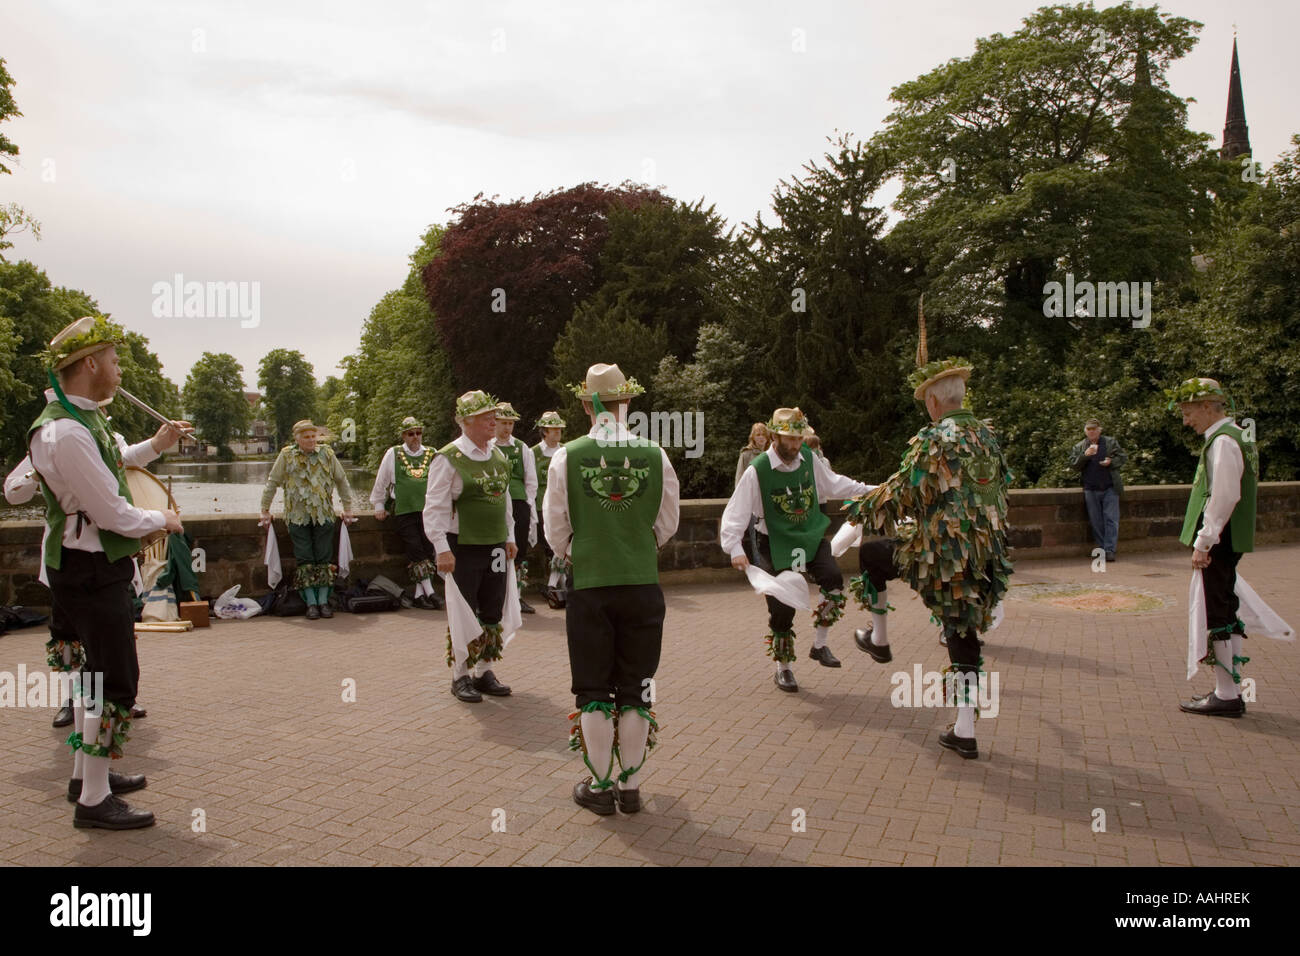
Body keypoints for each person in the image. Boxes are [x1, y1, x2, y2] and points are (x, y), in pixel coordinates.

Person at [28, 316, 188, 829]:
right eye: (114, 360)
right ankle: (94, 801)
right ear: (91, 364)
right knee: (111, 682)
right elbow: (113, 513)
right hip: (92, 567)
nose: (120, 369)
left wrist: (157, 445)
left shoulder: (80, 421)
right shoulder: (68, 433)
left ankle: (86, 777)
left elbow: (115, 465)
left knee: (94, 678)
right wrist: (163, 518)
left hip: (87, 565)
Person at [845, 354, 1013, 760]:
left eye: (926, 402)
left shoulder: (935, 438)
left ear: (936, 403)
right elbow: (991, 494)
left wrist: (859, 507)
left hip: (940, 553)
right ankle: (965, 730)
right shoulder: (987, 437)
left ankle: (880, 640)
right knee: (962, 633)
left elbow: (901, 491)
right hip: (985, 553)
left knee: (870, 555)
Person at [544, 363, 679, 815]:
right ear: (627, 403)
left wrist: (579, 552)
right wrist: (638, 547)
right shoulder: (656, 454)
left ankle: (600, 787)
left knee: (593, 688)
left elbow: (555, 524)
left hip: (592, 585)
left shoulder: (567, 455)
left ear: (586, 404)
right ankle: (633, 785)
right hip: (642, 584)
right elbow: (667, 521)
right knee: (637, 687)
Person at [721, 407, 872, 692]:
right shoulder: (758, 470)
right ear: (775, 436)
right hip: (774, 542)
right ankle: (784, 668)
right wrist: (733, 547)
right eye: (790, 439)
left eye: (799, 439)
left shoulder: (810, 460)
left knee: (834, 582)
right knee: (782, 607)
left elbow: (834, 483)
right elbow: (736, 511)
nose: (795, 444)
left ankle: (820, 645)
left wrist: (868, 490)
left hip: (810, 537)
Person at [1168, 378, 1257, 718]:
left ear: (1207, 407)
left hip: (1220, 538)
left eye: (1188, 412)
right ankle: (1229, 689)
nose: (1185, 420)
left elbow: (1224, 496)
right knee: (1225, 605)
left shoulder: (1222, 441)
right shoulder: (1236, 436)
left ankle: (1226, 694)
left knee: (1216, 609)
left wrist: (1204, 541)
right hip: (1229, 537)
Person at [425, 390, 516, 703]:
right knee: (463, 609)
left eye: (493, 415)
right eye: (485, 417)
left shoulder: (499, 455)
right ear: (466, 422)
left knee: (492, 605)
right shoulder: (448, 457)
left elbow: (505, 500)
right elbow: (434, 506)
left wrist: (510, 537)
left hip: (494, 544)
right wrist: (440, 547)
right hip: (462, 544)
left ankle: (484, 670)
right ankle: (460, 674)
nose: (494, 421)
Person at [260, 421, 355, 620]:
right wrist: (264, 509)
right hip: (297, 517)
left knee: (323, 558)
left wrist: (347, 508)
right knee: (305, 559)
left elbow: (341, 481)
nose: (311, 440)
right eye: (307, 437)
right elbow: (273, 481)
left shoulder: (327, 454)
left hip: (324, 515)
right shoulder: (286, 455)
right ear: (297, 438)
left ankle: (323, 601)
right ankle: (311, 603)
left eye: (314, 436)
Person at [370, 416, 443, 609]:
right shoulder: (393, 453)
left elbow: (441, 481)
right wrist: (379, 505)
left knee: (427, 549)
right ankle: (431, 592)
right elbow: (382, 480)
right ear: (404, 435)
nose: (415, 437)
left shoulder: (432, 453)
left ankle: (420, 595)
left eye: (418, 433)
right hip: (403, 509)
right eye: (411, 434)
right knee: (415, 549)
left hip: (428, 510)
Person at [493, 402, 538, 614]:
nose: (507, 428)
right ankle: (497, 594)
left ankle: (517, 596)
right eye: (503, 423)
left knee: (518, 550)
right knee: (497, 550)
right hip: (494, 504)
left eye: (510, 423)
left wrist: (528, 503)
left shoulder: (522, 448)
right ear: (495, 423)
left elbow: (531, 480)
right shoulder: (488, 447)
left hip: (519, 502)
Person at [1069, 418, 1126, 561]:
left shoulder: (1110, 442)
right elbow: (1074, 465)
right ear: (1085, 431)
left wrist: (1111, 462)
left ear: (1099, 430)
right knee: (1096, 521)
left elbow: (1123, 458)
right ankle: (1102, 549)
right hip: (1090, 488)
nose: (1092, 431)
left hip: (1110, 487)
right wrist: (1085, 456)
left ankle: (1110, 550)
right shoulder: (1080, 446)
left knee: (1111, 520)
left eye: (1094, 429)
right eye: (1089, 429)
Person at [531, 411, 568, 609]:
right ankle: (558, 586)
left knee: (560, 545)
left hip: (562, 504)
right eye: (554, 429)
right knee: (549, 547)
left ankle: (553, 585)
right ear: (544, 432)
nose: (558, 432)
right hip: (540, 505)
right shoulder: (533, 453)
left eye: (559, 429)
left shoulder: (565, 451)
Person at [733, 422, 771, 488]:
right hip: (751, 490)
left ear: (767, 437)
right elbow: (739, 476)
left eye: (763, 434)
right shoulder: (746, 454)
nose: (761, 437)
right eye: (758, 435)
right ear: (753, 437)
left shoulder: (771, 453)